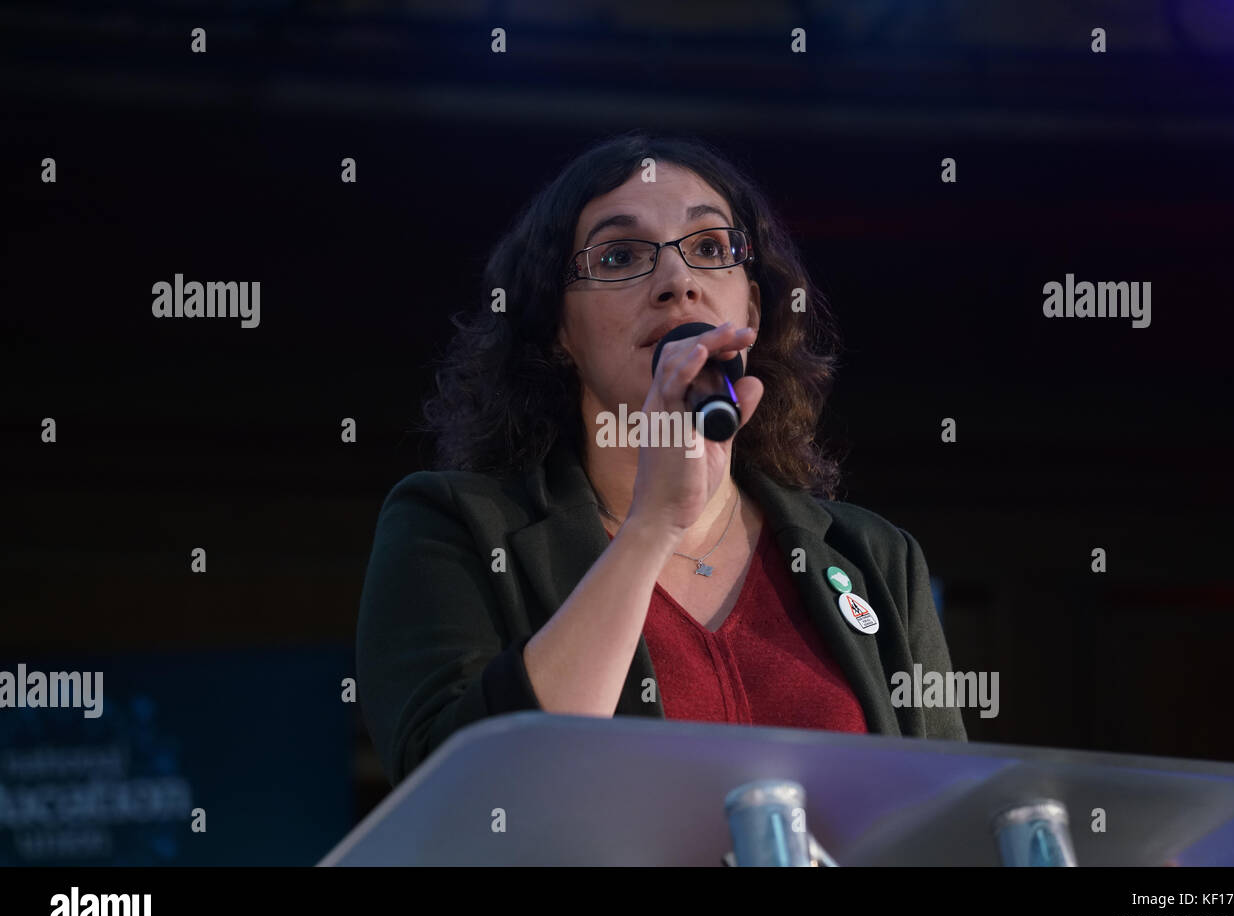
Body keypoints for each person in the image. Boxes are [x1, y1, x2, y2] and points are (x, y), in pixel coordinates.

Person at [356, 131, 966, 787]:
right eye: (620, 256)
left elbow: (947, 821)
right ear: (560, 330)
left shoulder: (876, 558)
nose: (678, 281)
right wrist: (651, 525)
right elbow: (460, 793)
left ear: (751, 310)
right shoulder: (451, 526)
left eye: (709, 248)